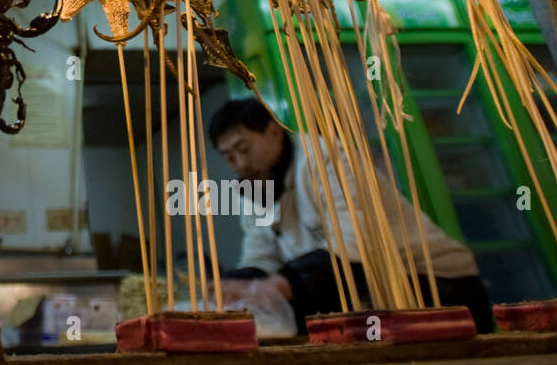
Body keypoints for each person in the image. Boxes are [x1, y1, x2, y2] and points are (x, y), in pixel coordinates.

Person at [210, 97, 493, 334]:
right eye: (230, 157)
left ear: (273, 131)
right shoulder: (251, 186)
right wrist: (233, 286)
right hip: (357, 294)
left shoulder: (323, 156)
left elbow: (355, 246)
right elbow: (261, 257)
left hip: (432, 284)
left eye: (244, 149)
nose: (241, 164)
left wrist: (279, 285)